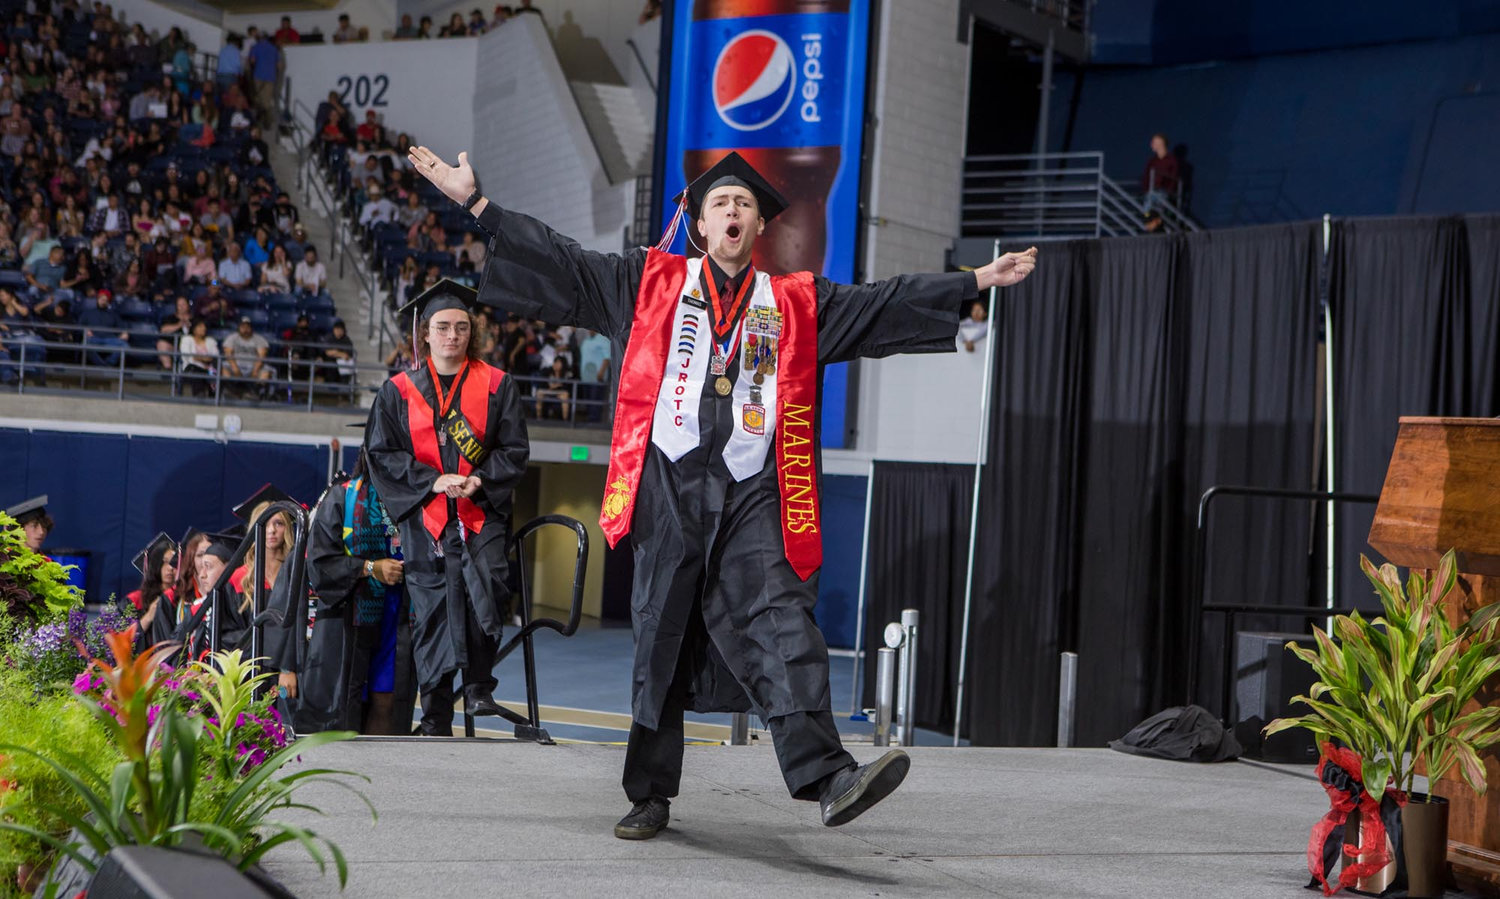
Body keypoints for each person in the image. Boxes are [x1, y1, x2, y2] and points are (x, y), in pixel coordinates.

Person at [408, 146, 1037, 837]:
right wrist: (477, 204)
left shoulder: (793, 302)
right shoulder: (648, 284)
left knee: (783, 618)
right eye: (720, 203)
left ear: (759, 225)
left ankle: (829, 777)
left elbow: (878, 306)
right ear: (700, 225)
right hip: (668, 487)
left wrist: (973, 278)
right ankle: (649, 793)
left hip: (754, 490)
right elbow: (562, 260)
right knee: (659, 636)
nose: (733, 211)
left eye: (744, 204)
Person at [365, 279, 529, 736]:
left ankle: (479, 687)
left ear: (470, 332)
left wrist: (479, 479)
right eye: (443, 327)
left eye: (461, 327)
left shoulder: (498, 385)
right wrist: (431, 480)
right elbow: (382, 455)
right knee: (431, 607)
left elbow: (514, 450)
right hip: (427, 516)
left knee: (488, 584)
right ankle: (436, 713)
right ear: (427, 334)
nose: (452, 336)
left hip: (480, 512)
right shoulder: (398, 392)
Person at [299, 437, 416, 734]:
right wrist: (369, 568)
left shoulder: (413, 500)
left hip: (398, 619)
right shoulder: (342, 498)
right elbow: (320, 563)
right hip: (350, 616)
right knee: (346, 704)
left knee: (387, 701)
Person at [125, 532, 180, 651]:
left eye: (173, 563)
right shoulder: (136, 600)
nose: (170, 568)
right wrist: (149, 616)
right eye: (165, 562)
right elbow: (124, 641)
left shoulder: (184, 600)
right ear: (155, 565)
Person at [222, 315, 274, 395]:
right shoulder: (232, 338)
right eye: (243, 326)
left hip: (253, 365)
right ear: (239, 327)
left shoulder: (259, 339)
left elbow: (262, 355)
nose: (245, 329)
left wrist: (255, 370)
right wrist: (235, 368)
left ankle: (255, 392)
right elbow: (228, 353)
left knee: (266, 371)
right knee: (223, 368)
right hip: (236, 364)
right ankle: (231, 391)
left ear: (251, 327)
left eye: (247, 326)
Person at [1140, 132, 1179, 227]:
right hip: (1151, 193)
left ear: (1161, 144)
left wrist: (1169, 191)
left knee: (1154, 202)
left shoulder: (1172, 160)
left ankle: (1155, 223)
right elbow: (1146, 177)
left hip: (1164, 192)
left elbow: (1174, 177)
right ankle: (1153, 223)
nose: (1151, 145)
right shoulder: (1152, 161)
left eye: (1154, 142)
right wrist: (1145, 190)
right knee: (1148, 204)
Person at [179, 317, 217, 396]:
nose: (204, 328)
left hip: (208, 369)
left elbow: (216, 356)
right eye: (200, 326)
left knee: (214, 371)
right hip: (192, 368)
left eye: (204, 326)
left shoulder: (210, 340)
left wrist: (199, 358)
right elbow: (188, 357)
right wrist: (204, 359)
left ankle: (213, 396)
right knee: (196, 371)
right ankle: (199, 396)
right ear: (194, 329)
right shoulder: (187, 339)